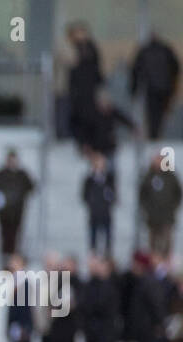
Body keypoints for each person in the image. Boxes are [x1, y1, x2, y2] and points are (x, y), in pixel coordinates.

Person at [131, 33, 181, 139]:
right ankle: (157, 135)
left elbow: (136, 70)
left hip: (151, 88)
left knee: (152, 114)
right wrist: (171, 81)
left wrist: (134, 89)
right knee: (161, 113)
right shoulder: (166, 50)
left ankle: (154, 135)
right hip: (165, 88)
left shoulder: (145, 51)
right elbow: (176, 66)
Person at [0, 149, 35, 257]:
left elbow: (32, 187)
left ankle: (14, 257)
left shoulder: (22, 174)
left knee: (16, 235)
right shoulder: (0, 174)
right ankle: (5, 256)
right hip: (3, 212)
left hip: (17, 211)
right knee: (5, 235)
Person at [80, 254, 121, 342]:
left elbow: (102, 307)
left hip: (103, 332)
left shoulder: (111, 285)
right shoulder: (91, 284)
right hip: (91, 332)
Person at [65, 22, 103, 151]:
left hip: (89, 88)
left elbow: (96, 67)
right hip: (77, 89)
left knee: (90, 117)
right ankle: (81, 144)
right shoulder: (71, 47)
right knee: (78, 118)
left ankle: (90, 144)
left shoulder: (91, 47)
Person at [138, 154, 183, 257]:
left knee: (167, 241)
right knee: (153, 242)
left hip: (167, 215)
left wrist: (173, 207)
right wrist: (147, 209)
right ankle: (154, 263)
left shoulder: (171, 176)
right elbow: (142, 195)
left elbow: (179, 193)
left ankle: (166, 262)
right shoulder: (148, 177)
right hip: (153, 216)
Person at [6, 253, 35, 342]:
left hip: (23, 327)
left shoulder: (25, 283)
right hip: (15, 327)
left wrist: (26, 327)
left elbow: (26, 308)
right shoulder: (14, 282)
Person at [81, 151, 115, 255]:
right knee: (93, 235)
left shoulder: (109, 178)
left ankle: (107, 254)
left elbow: (113, 194)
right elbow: (84, 195)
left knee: (107, 235)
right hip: (94, 212)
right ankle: (93, 254)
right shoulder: (89, 180)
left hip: (106, 212)